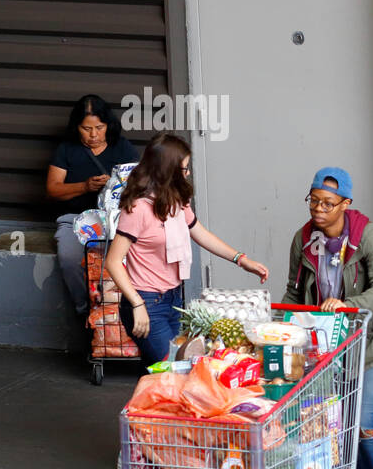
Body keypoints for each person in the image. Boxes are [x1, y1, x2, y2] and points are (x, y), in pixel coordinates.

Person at [282, 167, 373, 469]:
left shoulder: (366, 236)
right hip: (326, 349)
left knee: (364, 424)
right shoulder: (303, 239)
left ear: (346, 204)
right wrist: (281, 329)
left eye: (328, 203)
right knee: (328, 423)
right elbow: (292, 291)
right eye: (314, 200)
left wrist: (348, 305)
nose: (318, 209)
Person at [106, 132, 268, 369]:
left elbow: (200, 233)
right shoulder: (138, 209)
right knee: (170, 368)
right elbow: (112, 261)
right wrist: (137, 304)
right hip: (147, 303)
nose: (188, 173)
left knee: (171, 371)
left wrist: (241, 260)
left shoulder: (176, 201)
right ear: (166, 170)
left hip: (173, 298)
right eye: (184, 168)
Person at [45, 95, 139, 318]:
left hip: (115, 221)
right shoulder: (67, 149)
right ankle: (87, 312)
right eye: (86, 129)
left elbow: (139, 186)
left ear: (108, 125)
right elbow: (52, 189)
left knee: (132, 257)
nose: (93, 135)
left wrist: (116, 186)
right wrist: (85, 186)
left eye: (99, 127)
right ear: (77, 127)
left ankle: (125, 312)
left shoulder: (122, 147)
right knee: (69, 259)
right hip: (74, 219)